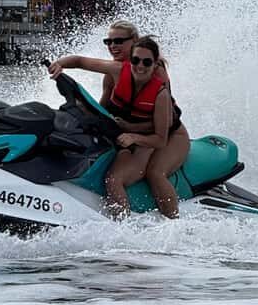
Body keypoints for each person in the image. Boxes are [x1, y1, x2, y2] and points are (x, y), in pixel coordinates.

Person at [48, 33, 189, 219]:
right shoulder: (117, 70)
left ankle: (174, 224)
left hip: (168, 138)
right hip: (136, 136)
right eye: (136, 60)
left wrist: (133, 135)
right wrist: (58, 65)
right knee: (112, 179)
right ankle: (120, 228)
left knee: (155, 173)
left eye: (146, 62)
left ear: (155, 65)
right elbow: (81, 61)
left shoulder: (160, 94)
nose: (140, 66)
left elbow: (160, 139)